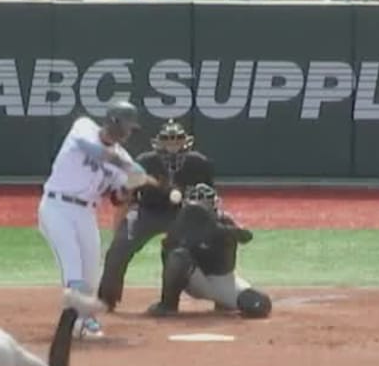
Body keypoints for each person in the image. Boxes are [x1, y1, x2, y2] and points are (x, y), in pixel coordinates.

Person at [38, 100, 159, 340]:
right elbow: (96, 152)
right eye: (127, 126)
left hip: (85, 212)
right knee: (73, 266)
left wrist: (131, 187)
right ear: (113, 121)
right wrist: (131, 168)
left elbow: (116, 197)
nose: (128, 133)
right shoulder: (85, 128)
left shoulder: (122, 156)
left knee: (91, 272)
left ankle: (82, 316)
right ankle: (79, 322)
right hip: (57, 207)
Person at [97, 120, 215, 313]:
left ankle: (168, 303)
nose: (172, 145)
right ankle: (106, 299)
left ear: (186, 141)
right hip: (147, 211)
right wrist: (119, 226)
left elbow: (209, 200)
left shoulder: (199, 164)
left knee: (176, 254)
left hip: (182, 215)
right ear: (159, 142)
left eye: (177, 140)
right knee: (119, 248)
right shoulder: (144, 162)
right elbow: (127, 195)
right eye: (168, 140)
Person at [145, 184, 272, 320]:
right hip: (194, 279)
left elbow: (246, 236)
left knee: (259, 305)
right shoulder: (180, 222)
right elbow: (167, 248)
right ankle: (168, 305)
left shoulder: (224, 220)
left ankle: (222, 303)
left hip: (222, 282)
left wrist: (217, 230)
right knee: (178, 256)